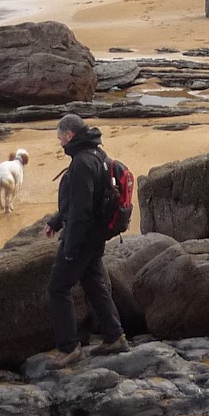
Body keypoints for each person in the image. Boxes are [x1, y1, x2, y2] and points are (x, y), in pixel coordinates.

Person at [44, 113, 127, 367]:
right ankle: (115, 336)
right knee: (93, 284)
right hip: (96, 236)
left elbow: (81, 210)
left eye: (60, 138)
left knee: (57, 289)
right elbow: (83, 202)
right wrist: (56, 222)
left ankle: (69, 348)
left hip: (82, 237)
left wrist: (70, 247)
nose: (59, 143)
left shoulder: (81, 163)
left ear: (69, 135)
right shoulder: (99, 155)